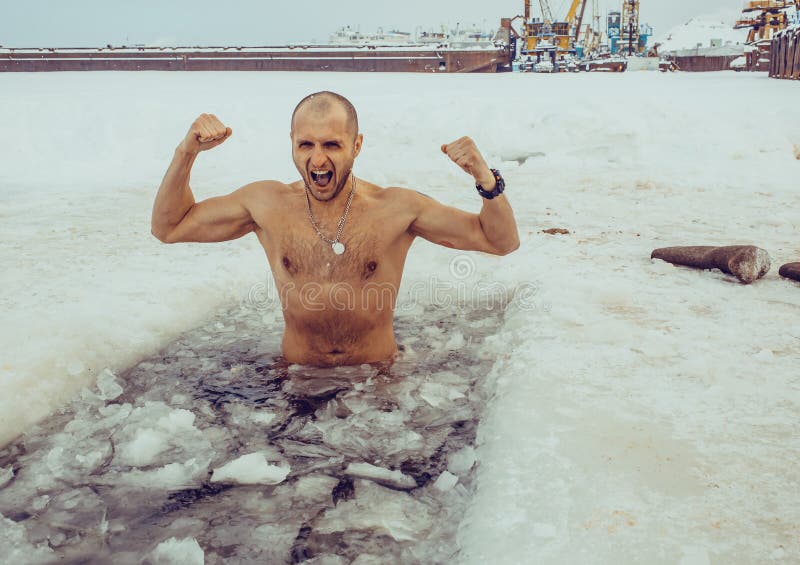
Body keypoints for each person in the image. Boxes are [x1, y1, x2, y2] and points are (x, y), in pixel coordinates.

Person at [151, 91, 520, 367]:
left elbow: (499, 241)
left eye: (332, 144)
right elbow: (170, 227)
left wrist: (486, 179)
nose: (318, 158)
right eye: (306, 144)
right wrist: (187, 153)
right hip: (295, 376)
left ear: (357, 146)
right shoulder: (266, 203)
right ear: (292, 145)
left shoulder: (397, 208)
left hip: (376, 381)